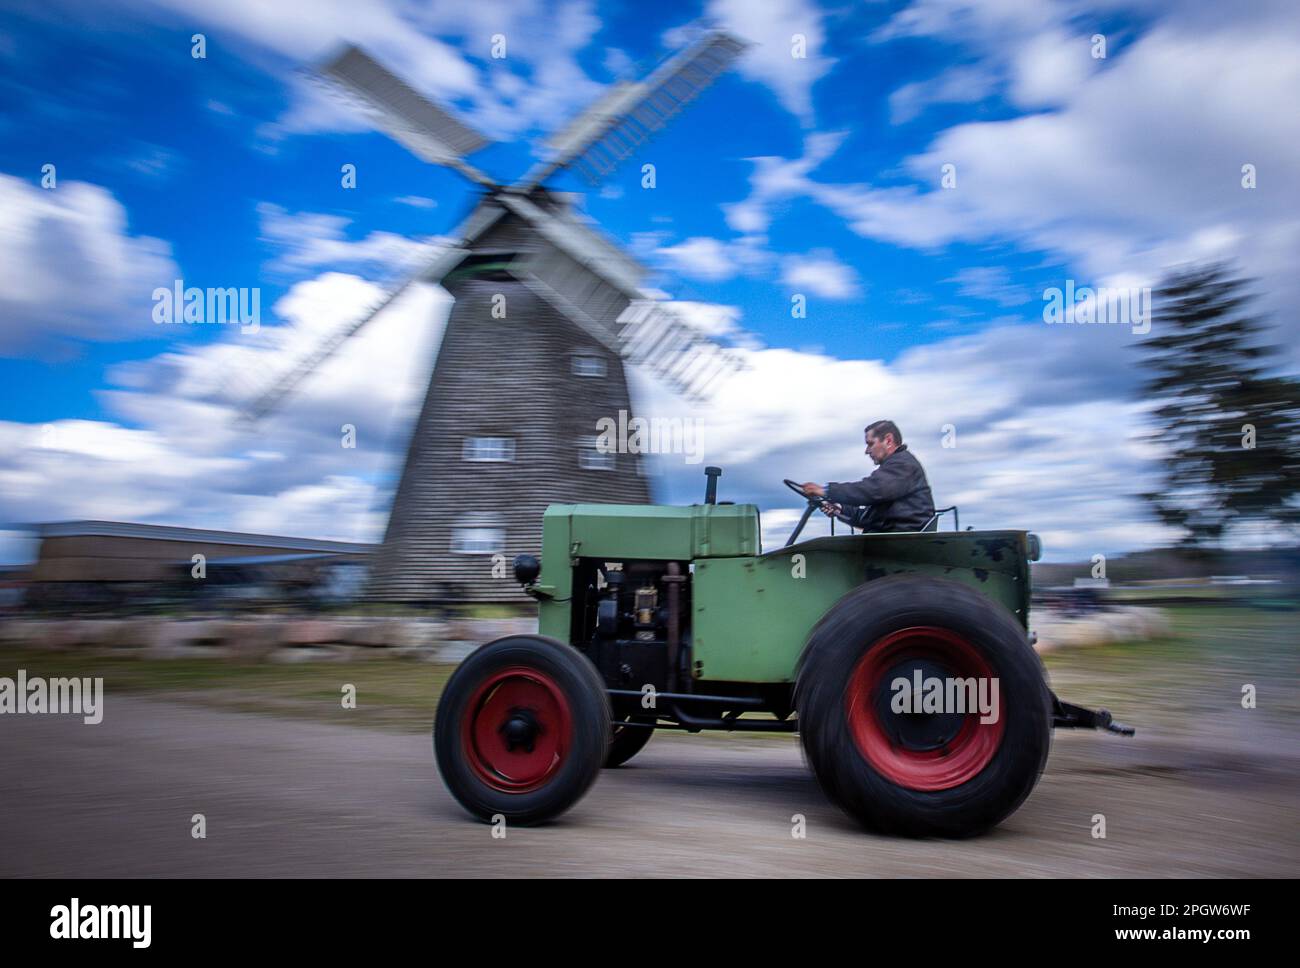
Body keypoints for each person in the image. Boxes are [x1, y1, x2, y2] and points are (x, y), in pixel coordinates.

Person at [800, 420, 936, 533]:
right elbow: (868, 518)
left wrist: (826, 490)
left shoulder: (903, 465)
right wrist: (839, 508)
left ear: (888, 440)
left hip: (902, 545)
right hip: (888, 542)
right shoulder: (891, 474)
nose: (867, 451)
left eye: (870, 444)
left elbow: (870, 490)